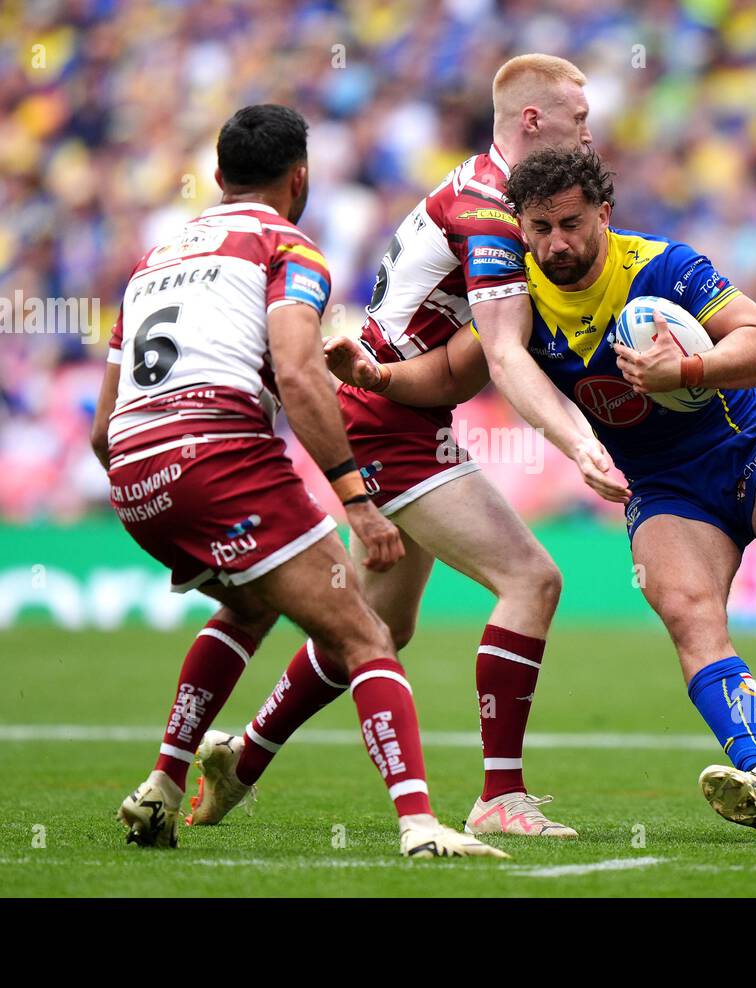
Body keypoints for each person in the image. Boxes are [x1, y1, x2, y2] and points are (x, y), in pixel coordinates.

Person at [323, 146, 756, 842]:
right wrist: (376, 378)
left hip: (751, 447)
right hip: (663, 487)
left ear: (603, 214)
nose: (558, 242)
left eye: (572, 223)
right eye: (541, 227)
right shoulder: (517, 298)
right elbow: (452, 375)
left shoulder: (662, 266)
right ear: (521, 227)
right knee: (689, 615)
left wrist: (689, 367)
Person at [190, 55, 621, 841]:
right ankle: (499, 795)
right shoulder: (491, 211)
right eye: (579, 117)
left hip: (394, 409)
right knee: (532, 579)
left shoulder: (500, 194)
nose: (590, 130)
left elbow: (466, 357)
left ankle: (242, 760)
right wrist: (579, 443)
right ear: (533, 121)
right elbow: (499, 355)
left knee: (376, 631)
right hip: (387, 422)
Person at [89, 103, 504, 859]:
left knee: (249, 605)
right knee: (367, 635)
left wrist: (157, 482)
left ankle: (163, 784)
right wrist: (358, 502)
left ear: (218, 177)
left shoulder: (153, 261)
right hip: (218, 455)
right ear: (300, 177)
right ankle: (420, 824)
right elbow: (300, 374)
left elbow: (99, 428)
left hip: (132, 476)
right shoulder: (286, 245)